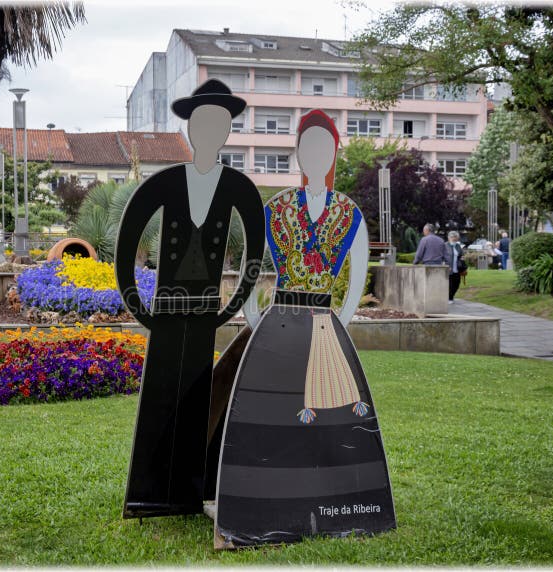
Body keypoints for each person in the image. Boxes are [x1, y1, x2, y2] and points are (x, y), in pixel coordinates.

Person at [215, 110, 396, 546]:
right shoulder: (275, 210)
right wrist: (255, 318)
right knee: (269, 411)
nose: (316, 154)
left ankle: (335, 502)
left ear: (334, 152)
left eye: (325, 147)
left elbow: (356, 276)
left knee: (330, 413)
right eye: (308, 146)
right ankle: (260, 504)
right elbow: (251, 267)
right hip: (277, 323)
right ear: (297, 152)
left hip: (323, 322)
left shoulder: (348, 213)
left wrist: (341, 321)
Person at [115, 79, 265, 519]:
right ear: (190, 128)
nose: (209, 131)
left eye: (219, 123)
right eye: (202, 122)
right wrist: (139, 306)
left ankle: (186, 493)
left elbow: (253, 256)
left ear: (226, 132)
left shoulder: (238, 188)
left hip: (203, 315)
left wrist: (228, 309)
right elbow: (127, 244)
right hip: (166, 311)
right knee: (160, 397)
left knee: (197, 401)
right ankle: (149, 493)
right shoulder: (165, 184)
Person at [445, 230, 465, 304]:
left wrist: (462, 258)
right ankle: (449, 298)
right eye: (453, 237)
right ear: (449, 238)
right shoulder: (445, 245)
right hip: (448, 269)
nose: (454, 239)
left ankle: (451, 296)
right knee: (450, 285)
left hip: (457, 268)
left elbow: (461, 254)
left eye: (456, 238)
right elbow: (442, 256)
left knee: (457, 284)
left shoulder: (457, 245)